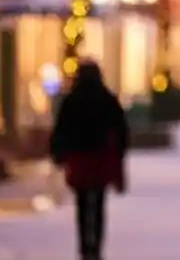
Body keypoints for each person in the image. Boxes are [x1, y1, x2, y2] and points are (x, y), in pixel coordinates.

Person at [50, 60, 130, 260]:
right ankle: (96, 246)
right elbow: (120, 129)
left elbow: (61, 128)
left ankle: (85, 246)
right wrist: (120, 153)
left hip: (79, 160)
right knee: (99, 203)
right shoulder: (107, 99)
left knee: (82, 203)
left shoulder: (71, 100)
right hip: (101, 159)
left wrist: (59, 153)